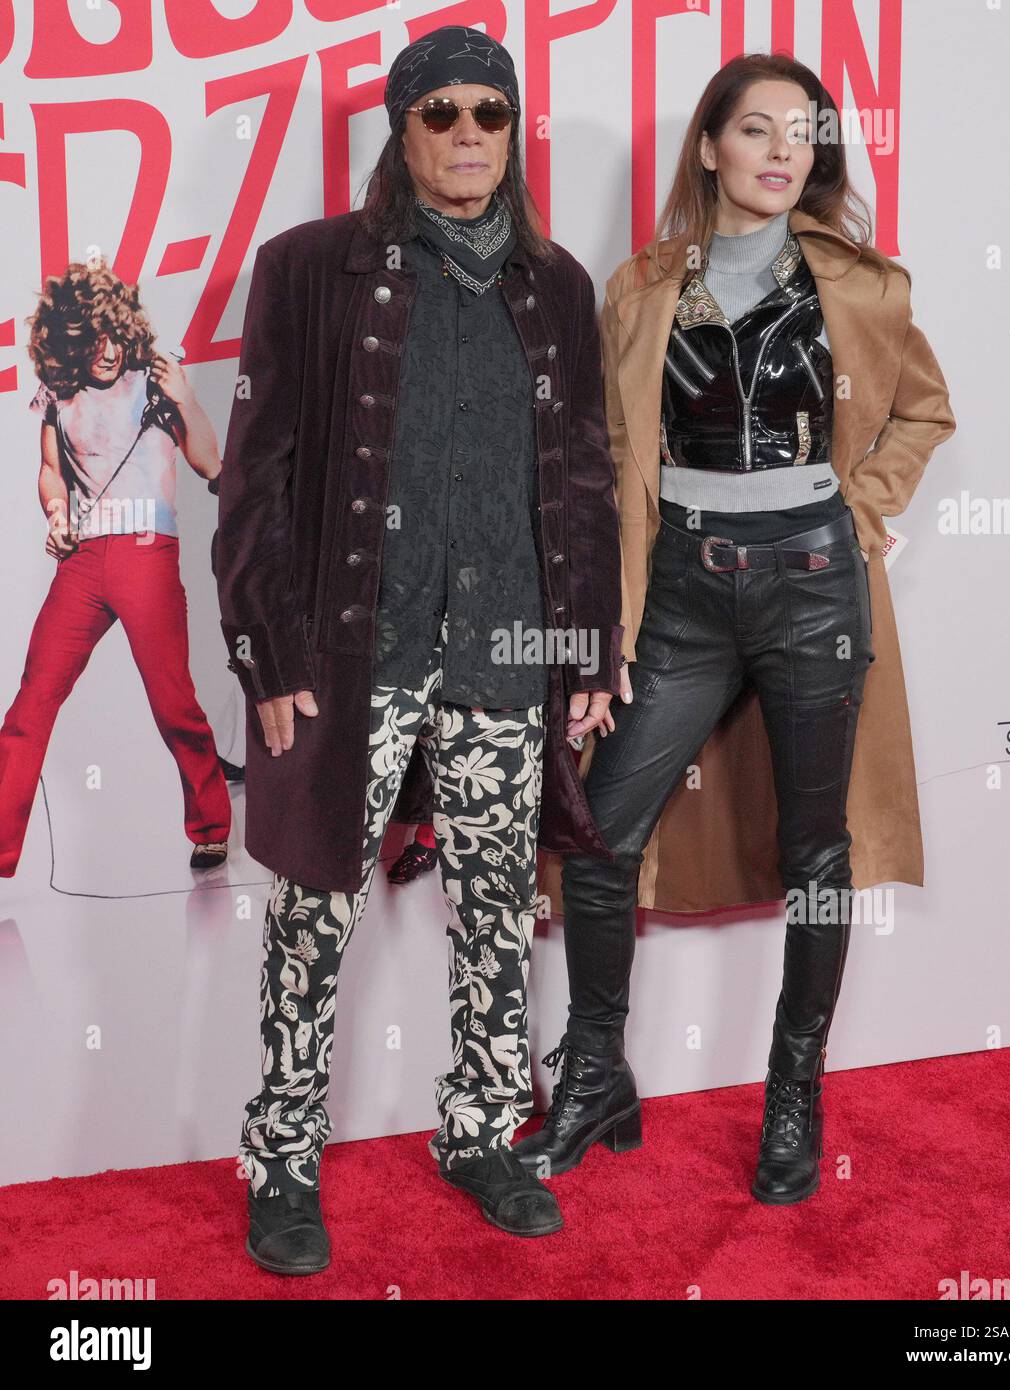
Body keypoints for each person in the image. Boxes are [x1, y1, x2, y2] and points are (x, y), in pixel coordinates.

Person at [217, 25, 624, 1274]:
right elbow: (255, 479)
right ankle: (282, 1153)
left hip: (508, 651)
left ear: (511, 130)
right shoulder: (306, 271)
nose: (464, 135)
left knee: (499, 909)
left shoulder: (555, 286)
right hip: (350, 653)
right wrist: (267, 648)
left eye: (487, 114)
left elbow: (584, 480)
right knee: (313, 913)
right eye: (438, 112)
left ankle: (479, 1127)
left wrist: (588, 655)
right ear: (401, 129)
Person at [515, 53, 956, 1206]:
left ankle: (792, 1092)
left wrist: (853, 508)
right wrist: (603, 625)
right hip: (681, 592)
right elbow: (611, 457)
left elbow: (921, 410)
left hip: (814, 583)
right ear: (708, 146)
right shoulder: (641, 284)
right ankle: (598, 1072)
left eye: (800, 134)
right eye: (754, 130)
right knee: (599, 837)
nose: (778, 152)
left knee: (819, 855)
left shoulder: (863, 287)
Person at [0, 260, 230, 876]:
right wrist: (55, 514)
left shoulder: (155, 384)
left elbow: (211, 464)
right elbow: (51, 471)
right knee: (31, 703)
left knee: (173, 701)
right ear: (71, 337)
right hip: (82, 562)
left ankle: (210, 826)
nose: (104, 351)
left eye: (111, 334)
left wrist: (184, 396)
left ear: (127, 328)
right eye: (89, 337)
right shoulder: (60, 392)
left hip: (146, 554)